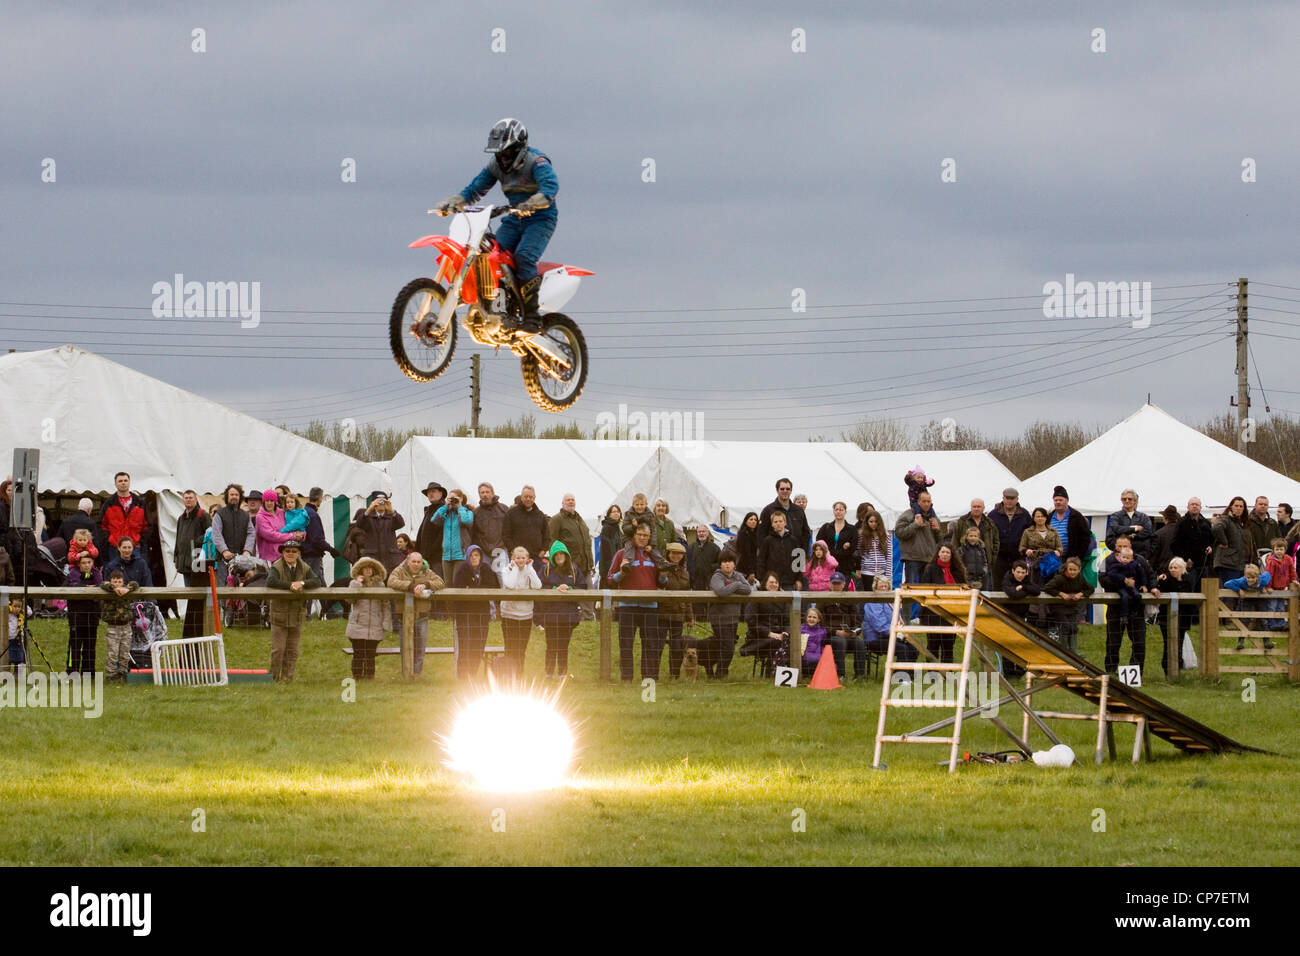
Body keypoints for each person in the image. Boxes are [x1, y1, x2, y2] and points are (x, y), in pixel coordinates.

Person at [435, 117, 558, 332]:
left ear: (519, 147)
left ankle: (532, 316)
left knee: (524, 257)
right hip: (514, 218)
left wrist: (531, 203)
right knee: (491, 253)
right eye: (498, 153)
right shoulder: (495, 166)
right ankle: (496, 303)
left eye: (507, 152)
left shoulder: (537, 162)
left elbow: (550, 189)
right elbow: (474, 190)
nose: (502, 157)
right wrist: (451, 203)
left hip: (540, 219)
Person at [607, 520, 664, 682]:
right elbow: (610, 580)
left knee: (651, 644)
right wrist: (622, 574)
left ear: (649, 537)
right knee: (626, 644)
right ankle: (627, 678)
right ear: (633, 535)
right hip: (627, 606)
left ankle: (649, 677)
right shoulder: (621, 554)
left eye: (645, 535)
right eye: (639, 534)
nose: (642, 538)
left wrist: (664, 576)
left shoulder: (654, 554)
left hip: (650, 606)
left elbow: (661, 583)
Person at [266, 541, 322, 682]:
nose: (290, 553)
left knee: (292, 650)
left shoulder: (304, 566)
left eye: (294, 551)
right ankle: (273, 678)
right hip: (279, 614)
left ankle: (287, 678)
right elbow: (271, 582)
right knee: (278, 650)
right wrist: (290, 586)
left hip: (297, 614)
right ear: (283, 553)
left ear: (299, 553)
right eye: (287, 551)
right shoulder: (276, 566)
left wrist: (302, 583)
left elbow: (317, 581)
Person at [1101, 535, 1155, 672]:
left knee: (1139, 642)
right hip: (1115, 606)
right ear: (1115, 547)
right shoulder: (1107, 561)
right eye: (1119, 546)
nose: (1122, 549)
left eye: (1125, 546)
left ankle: (1136, 671)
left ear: (1130, 547)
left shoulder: (1140, 560)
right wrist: (1123, 581)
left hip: (1136, 608)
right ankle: (1111, 671)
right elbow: (1102, 579)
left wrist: (1153, 586)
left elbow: (1150, 575)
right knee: (1113, 642)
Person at [386, 551, 445, 675]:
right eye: (414, 561)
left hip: (422, 616)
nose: (417, 564)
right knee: (405, 647)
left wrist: (426, 584)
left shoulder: (427, 572)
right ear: (408, 562)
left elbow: (441, 583)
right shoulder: (399, 570)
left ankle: (417, 675)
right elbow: (391, 581)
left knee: (420, 649)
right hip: (403, 616)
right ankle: (406, 674)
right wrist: (411, 586)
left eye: (419, 562)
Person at [538, 541, 586, 680]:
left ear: (566, 555)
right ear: (552, 556)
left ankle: (562, 674)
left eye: (562, 554)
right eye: (556, 554)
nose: (559, 556)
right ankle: (549, 673)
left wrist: (570, 589)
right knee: (551, 644)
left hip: (568, 615)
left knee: (564, 645)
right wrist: (554, 590)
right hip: (551, 614)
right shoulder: (545, 569)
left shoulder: (574, 569)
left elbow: (583, 585)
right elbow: (539, 586)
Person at [451, 545, 499, 681]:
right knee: (465, 645)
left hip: (482, 614)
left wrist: (473, 589)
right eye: (471, 555)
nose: (474, 558)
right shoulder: (462, 569)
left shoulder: (486, 569)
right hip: (464, 614)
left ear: (481, 556)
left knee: (478, 645)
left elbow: (492, 585)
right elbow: (458, 588)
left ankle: (472, 674)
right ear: (467, 557)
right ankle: (462, 676)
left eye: (477, 555)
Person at [706, 549, 751, 679]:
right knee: (728, 647)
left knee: (727, 646)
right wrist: (737, 585)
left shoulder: (738, 575)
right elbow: (721, 591)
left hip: (733, 617)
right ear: (720, 564)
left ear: (734, 564)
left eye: (730, 562)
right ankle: (720, 673)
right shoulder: (717, 576)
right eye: (724, 562)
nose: (727, 564)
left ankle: (720, 672)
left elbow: (747, 589)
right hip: (719, 617)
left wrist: (733, 585)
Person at [499, 546, 542, 680]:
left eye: (523, 558)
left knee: (521, 648)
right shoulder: (506, 570)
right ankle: (508, 675)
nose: (520, 560)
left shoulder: (530, 570)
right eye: (517, 557)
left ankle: (519, 675)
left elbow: (538, 585)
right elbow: (510, 585)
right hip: (509, 614)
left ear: (527, 559)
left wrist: (529, 570)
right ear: (512, 558)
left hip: (526, 615)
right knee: (510, 647)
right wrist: (515, 569)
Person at [345, 557, 392, 680]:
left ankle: (369, 677)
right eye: (364, 568)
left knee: (370, 654)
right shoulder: (354, 583)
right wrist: (357, 584)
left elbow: (385, 605)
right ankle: (357, 677)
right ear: (360, 570)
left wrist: (386, 622)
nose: (368, 570)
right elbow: (349, 600)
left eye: (370, 568)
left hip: (375, 625)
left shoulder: (381, 585)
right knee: (358, 653)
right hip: (358, 624)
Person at [919, 543, 967, 663]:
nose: (945, 554)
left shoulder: (958, 571)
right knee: (933, 644)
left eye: (947, 552)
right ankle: (932, 673)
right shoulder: (930, 568)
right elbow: (924, 588)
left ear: (952, 555)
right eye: (943, 552)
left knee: (948, 645)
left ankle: (948, 672)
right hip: (932, 612)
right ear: (938, 554)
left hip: (951, 612)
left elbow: (964, 588)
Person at [174, 490, 211, 640]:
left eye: (191, 498)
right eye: (186, 498)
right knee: (189, 592)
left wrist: (195, 541)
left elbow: (210, 533)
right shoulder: (181, 518)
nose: (188, 500)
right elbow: (178, 539)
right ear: (183, 500)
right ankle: (192, 621)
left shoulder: (203, 515)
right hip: (184, 561)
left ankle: (199, 621)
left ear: (196, 500)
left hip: (197, 560)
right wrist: (176, 556)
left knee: (197, 593)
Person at [819, 572, 869, 680]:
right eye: (834, 583)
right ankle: (840, 675)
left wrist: (854, 632)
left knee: (859, 642)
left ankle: (860, 676)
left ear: (843, 584)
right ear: (830, 585)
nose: (836, 586)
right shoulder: (823, 600)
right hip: (830, 636)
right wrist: (835, 632)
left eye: (839, 583)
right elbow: (820, 624)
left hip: (848, 635)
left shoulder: (849, 599)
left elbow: (857, 622)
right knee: (839, 641)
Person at [739, 572, 790, 675]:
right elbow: (751, 621)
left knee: (791, 641)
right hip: (759, 637)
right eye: (771, 582)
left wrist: (785, 632)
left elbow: (787, 620)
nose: (774, 584)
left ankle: (785, 673)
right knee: (777, 642)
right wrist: (770, 634)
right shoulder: (756, 597)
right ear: (765, 583)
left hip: (779, 636)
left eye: (776, 582)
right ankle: (771, 673)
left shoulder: (783, 599)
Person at [1041, 557, 1095, 654]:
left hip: (1072, 607)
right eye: (1070, 569)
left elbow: (1090, 588)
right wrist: (1061, 594)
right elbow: (1047, 587)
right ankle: (1064, 652)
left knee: (1073, 628)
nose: (1072, 572)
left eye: (1075, 570)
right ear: (1066, 568)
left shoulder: (1080, 578)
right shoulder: (1059, 578)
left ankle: (1073, 651)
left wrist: (1081, 593)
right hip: (1058, 607)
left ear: (1079, 569)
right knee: (1065, 627)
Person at [656, 541, 693, 679]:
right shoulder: (661, 568)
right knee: (658, 645)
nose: (676, 556)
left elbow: (687, 596)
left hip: (679, 614)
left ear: (683, 556)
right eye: (673, 553)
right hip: (662, 613)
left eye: (679, 554)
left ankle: (674, 675)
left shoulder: (685, 573)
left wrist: (690, 616)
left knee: (676, 647)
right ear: (668, 554)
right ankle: (654, 674)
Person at [1154, 557, 1196, 675]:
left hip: (1183, 619)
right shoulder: (1165, 580)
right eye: (1171, 568)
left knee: (1179, 643)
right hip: (1166, 618)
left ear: (1182, 569)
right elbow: (1159, 587)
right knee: (1168, 643)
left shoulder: (1187, 582)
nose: (1172, 570)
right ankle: (1167, 667)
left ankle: (1177, 668)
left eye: (1175, 568)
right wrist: (1159, 579)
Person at [894, 489, 941, 590]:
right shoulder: (908, 514)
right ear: (918, 502)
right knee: (909, 589)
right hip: (912, 558)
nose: (927, 504)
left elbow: (939, 540)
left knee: (927, 590)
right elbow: (898, 533)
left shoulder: (933, 517)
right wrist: (915, 525)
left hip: (929, 559)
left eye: (929, 501)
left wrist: (937, 530)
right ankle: (907, 606)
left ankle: (924, 607)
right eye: (924, 501)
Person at [212, 484, 255, 592]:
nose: (234, 497)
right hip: (224, 561)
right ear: (227, 496)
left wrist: (247, 550)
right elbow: (216, 534)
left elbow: (251, 533)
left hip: (242, 560)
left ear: (240, 497)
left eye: (236, 494)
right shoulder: (219, 514)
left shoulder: (245, 515)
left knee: (242, 588)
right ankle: (225, 609)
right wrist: (224, 550)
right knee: (224, 589)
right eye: (231, 494)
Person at [947, 498, 998, 589]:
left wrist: (992, 559)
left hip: (984, 566)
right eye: (974, 506)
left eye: (979, 507)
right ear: (971, 508)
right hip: (965, 565)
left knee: (984, 593)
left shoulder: (990, 523)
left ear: (983, 508)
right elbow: (955, 541)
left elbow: (996, 542)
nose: (976, 509)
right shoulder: (962, 521)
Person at [98, 567, 138, 682]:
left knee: (125, 652)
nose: (117, 584)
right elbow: (103, 584)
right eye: (114, 581)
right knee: (113, 653)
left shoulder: (127, 588)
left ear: (123, 581)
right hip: (113, 627)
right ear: (111, 581)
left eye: (119, 581)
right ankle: (111, 675)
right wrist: (114, 588)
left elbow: (135, 584)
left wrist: (127, 589)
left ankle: (123, 673)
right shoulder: (107, 589)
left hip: (126, 626)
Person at [301, 487, 340, 607]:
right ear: (319, 498)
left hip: (307, 553)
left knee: (320, 582)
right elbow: (316, 539)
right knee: (313, 582)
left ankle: (329, 611)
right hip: (312, 555)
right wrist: (330, 549)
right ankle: (307, 613)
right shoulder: (312, 514)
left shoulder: (305, 511)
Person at [503, 486, 550, 578]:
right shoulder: (511, 514)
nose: (528, 499)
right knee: (517, 586)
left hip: (536, 559)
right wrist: (514, 552)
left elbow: (547, 536)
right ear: (521, 497)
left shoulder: (540, 515)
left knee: (536, 585)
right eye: (526, 496)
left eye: (530, 497)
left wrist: (543, 551)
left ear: (534, 498)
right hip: (517, 559)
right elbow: (505, 535)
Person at [65, 553, 102, 674]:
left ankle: (88, 674)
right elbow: (65, 588)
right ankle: (71, 672)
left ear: (93, 563)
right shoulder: (72, 576)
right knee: (74, 647)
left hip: (92, 617)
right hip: (76, 617)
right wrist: (85, 587)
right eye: (83, 563)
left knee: (90, 648)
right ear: (78, 564)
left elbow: (102, 588)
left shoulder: (97, 576)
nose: (86, 565)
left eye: (89, 562)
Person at [99, 472, 149, 559]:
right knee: (116, 572)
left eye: (125, 480)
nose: (123, 483)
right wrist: (110, 539)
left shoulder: (140, 503)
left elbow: (148, 524)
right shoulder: (109, 503)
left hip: (135, 547)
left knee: (135, 572)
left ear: (129, 482)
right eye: (120, 481)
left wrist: (139, 540)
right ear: (115, 484)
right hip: (115, 547)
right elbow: (101, 524)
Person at [989, 488, 1033, 586]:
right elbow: (988, 535)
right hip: (999, 557)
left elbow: (1031, 533)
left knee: (1019, 583)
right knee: (998, 584)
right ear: (1003, 498)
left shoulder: (1024, 514)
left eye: (1012, 498)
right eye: (1007, 498)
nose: (1009, 501)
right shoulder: (993, 514)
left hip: (1018, 556)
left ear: (1017, 499)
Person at [431, 488, 474, 585]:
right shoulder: (447, 513)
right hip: (446, 555)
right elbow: (434, 520)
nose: (452, 500)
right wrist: (445, 506)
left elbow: (467, 521)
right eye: (450, 498)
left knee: (457, 583)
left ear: (461, 498)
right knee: (447, 584)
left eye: (454, 498)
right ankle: (448, 601)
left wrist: (459, 507)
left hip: (461, 555)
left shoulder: (467, 512)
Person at [356, 492, 405, 573]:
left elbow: (401, 523)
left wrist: (392, 510)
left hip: (390, 559)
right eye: (378, 501)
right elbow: (359, 524)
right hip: (374, 558)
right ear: (373, 503)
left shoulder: (392, 516)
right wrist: (369, 509)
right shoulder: (368, 517)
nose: (381, 504)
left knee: (390, 582)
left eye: (383, 502)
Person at [1172, 496, 1214, 591]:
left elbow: (1211, 540)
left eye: (1197, 505)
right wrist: (1186, 559)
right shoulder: (1182, 523)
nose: (1195, 506)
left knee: (1203, 592)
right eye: (1192, 504)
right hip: (1187, 565)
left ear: (1200, 507)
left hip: (1203, 564)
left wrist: (1210, 547)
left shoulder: (1205, 523)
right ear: (1188, 507)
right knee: (1189, 591)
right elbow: (1174, 544)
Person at [548, 493, 593, 579]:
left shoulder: (580, 520)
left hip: (586, 568)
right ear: (563, 503)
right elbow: (552, 542)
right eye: (568, 500)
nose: (571, 501)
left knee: (590, 591)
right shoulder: (556, 519)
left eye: (572, 500)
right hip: (568, 568)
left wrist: (590, 563)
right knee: (573, 592)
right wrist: (558, 563)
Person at [255, 490, 307, 564]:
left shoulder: (282, 512)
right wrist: (293, 535)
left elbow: (293, 524)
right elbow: (272, 536)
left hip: (286, 556)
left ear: (275, 502)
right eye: (267, 501)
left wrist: (302, 534)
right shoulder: (260, 517)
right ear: (263, 502)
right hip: (270, 559)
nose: (269, 503)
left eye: (271, 501)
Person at [758, 478, 810, 549]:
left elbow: (806, 533)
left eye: (788, 489)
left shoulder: (799, 510)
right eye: (782, 489)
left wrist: (803, 551)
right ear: (777, 490)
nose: (785, 491)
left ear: (791, 491)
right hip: (775, 556)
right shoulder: (768, 510)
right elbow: (761, 534)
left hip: (796, 554)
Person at [816, 501, 858, 589]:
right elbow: (819, 543)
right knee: (827, 589)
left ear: (845, 512)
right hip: (827, 564)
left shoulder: (851, 529)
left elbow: (854, 547)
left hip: (845, 565)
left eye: (841, 510)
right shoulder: (826, 527)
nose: (838, 512)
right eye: (836, 509)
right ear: (834, 511)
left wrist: (848, 546)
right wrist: (828, 554)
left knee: (843, 590)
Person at [758, 509, 803, 590]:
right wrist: (763, 579)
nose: (778, 523)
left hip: (790, 582)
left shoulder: (794, 540)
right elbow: (761, 561)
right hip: (772, 582)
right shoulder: (767, 541)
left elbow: (799, 561)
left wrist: (799, 579)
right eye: (775, 522)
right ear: (772, 524)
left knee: (789, 603)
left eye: (780, 521)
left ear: (785, 523)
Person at [1049, 486, 1094, 563]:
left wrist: (1078, 557)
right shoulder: (1049, 517)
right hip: (1052, 559)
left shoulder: (1077, 516)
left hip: (1070, 559)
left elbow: (1086, 538)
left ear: (1067, 500)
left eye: (1060, 500)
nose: (1058, 502)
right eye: (1055, 500)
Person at [1105, 489, 1154, 560]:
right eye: (1124, 499)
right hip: (1119, 558)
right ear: (1121, 500)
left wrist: (1132, 536)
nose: (1127, 501)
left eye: (1130, 499)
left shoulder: (1144, 517)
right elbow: (1114, 531)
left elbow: (1148, 533)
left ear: (1135, 501)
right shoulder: (1115, 516)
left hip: (1139, 557)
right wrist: (1134, 528)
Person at [1261, 539, 1295, 638]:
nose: (1279, 551)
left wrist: (1294, 580)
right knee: (1272, 606)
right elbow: (1268, 574)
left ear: (1285, 550)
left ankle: (1280, 624)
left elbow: (1292, 570)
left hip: (1282, 587)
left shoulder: (1288, 559)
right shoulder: (1271, 561)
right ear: (1273, 550)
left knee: (1281, 606)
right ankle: (1272, 624)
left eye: (1281, 549)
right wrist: (1268, 586)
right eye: (1277, 549)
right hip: (1273, 588)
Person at [1212, 496, 1250, 583]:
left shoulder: (1243, 524)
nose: (1238, 508)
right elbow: (1217, 528)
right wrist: (1224, 542)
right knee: (1228, 593)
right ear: (1231, 507)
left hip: (1241, 564)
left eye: (1241, 506)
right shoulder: (1225, 518)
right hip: (1228, 563)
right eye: (1236, 506)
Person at [1020, 507, 1062, 584]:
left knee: (1051, 584)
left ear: (1046, 518)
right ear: (1034, 518)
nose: (1040, 518)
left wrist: (1058, 551)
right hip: (1034, 563)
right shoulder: (1027, 532)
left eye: (1042, 516)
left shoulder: (1053, 531)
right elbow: (1022, 547)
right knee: (1036, 584)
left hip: (1051, 562)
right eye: (1038, 516)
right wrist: (1026, 551)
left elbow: (1059, 547)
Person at [472, 483, 509, 563]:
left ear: (492, 493)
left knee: (503, 575)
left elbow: (510, 529)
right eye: (482, 492)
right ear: (479, 495)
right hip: (483, 552)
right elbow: (473, 533)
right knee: (485, 575)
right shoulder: (476, 512)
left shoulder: (504, 509)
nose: (485, 494)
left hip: (500, 549)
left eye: (487, 492)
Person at [415, 482, 448, 570]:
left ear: (441, 493)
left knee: (437, 582)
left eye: (433, 491)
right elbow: (421, 532)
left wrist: (431, 552)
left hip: (437, 557)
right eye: (428, 492)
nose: (430, 494)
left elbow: (442, 534)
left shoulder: (444, 510)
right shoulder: (429, 510)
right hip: (425, 556)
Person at [858, 511, 891, 591]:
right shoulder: (861, 535)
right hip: (867, 573)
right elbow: (860, 554)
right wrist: (861, 569)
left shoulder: (886, 536)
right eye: (871, 522)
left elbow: (889, 556)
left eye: (876, 522)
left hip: (881, 573)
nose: (873, 524)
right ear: (867, 522)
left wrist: (888, 575)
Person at [799, 606, 834, 679]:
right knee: (816, 663)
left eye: (814, 617)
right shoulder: (800, 629)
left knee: (833, 666)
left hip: (818, 656)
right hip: (805, 659)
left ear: (819, 620)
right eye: (809, 617)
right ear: (806, 618)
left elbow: (823, 645)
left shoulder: (823, 631)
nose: (811, 619)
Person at [598, 504, 625, 589]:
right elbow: (607, 551)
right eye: (614, 512)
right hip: (609, 568)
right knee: (608, 598)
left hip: (616, 566)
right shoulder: (607, 528)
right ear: (609, 514)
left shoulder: (617, 527)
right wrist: (612, 568)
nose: (616, 513)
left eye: (618, 512)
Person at [956, 525, 989, 592]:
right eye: (971, 536)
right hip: (967, 578)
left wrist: (984, 570)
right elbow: (959, 562)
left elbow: (985, 562)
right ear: (967, 536)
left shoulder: (981, 549)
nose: (973, 538)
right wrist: (964, 572)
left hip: (980, 578)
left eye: (975, 536)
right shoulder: (962, 549)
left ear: (978, 537)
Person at [734, 511, 761, 583]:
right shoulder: (744, 534)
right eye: (751, 519)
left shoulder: (757, 535)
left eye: (755, 520)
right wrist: (751, 572)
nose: (753, 521)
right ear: (746, 521)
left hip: (755, 568)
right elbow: (746, 555)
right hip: (745, 569)